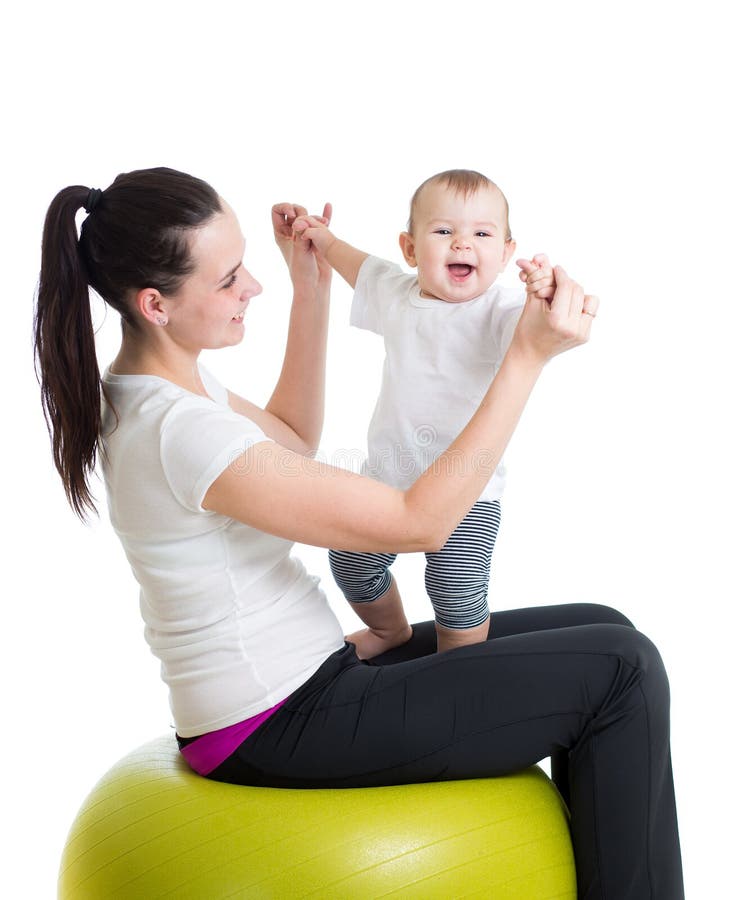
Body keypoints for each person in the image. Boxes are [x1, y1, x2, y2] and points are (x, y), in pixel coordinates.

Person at [34, 167, 684, 898]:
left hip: (302, 681)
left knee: (604, 626)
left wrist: (310, 283)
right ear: (155, 304)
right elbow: (423, 524)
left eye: (246, 263)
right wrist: (524, 357)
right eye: (227, 280)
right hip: (274, 721)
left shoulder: (162, 388)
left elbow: (288, 437)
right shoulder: (177, 430)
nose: (252, 286)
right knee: (622, 668)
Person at [293, 168, 556, 657]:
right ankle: (392, 632)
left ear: (504, 252)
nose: (462, 243)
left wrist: (545, 291)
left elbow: (537, 328)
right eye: (443, 231)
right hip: (388, 481)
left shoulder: (501, 311)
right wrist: (320, 237)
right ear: (411, 249)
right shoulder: (395, 292)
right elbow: (357, 264)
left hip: (466, 491)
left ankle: (457, 665)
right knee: (350, 561)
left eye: (482, 233)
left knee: (454, 584)